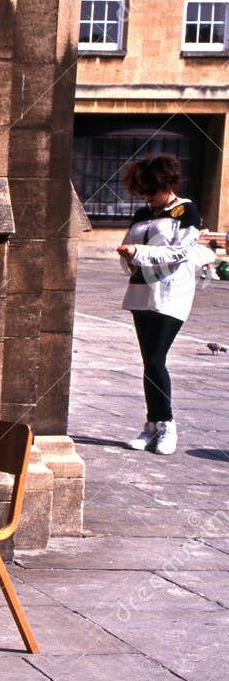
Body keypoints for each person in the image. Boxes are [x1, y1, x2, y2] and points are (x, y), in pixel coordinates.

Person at [116, 153, 204, 456]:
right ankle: (152, 423)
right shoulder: (143, 214)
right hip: (142, 292)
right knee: (149, 363)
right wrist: (131, 256)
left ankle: (167, 423)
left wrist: (138, 252)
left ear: (166, 185)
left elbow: (180, 253)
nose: (148, 198)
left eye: (152, 192)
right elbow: (128, 247)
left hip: (171, 294)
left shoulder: (186, 210)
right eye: (143, 193)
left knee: (156, 359)